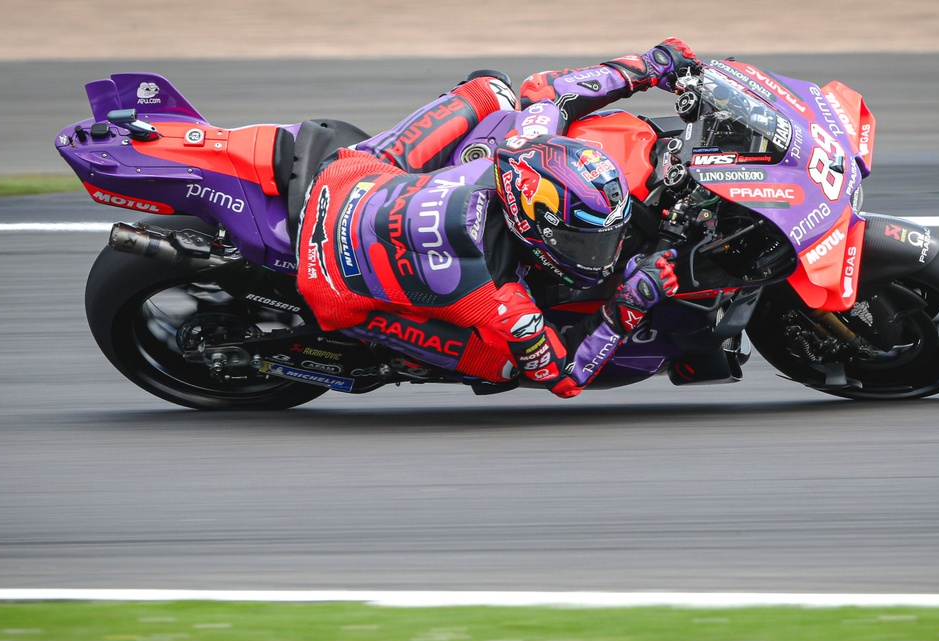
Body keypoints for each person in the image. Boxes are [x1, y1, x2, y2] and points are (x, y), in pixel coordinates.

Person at [296, 39, 700, 397]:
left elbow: (548, 90)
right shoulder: (506, 301)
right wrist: (630, 302)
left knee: (491, 89)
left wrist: (650, 65)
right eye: (581, 241)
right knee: (504, 367)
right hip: (330, 285)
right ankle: (380, 347)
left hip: (349, 178)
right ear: (530, 225)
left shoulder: (525, 145)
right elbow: (565, 377)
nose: (603, 255)